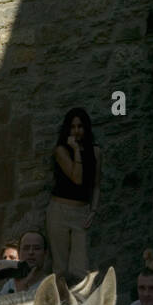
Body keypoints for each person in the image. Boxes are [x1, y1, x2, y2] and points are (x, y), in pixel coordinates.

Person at [47, 108, 101, 281]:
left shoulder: (96, 152)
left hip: (81, 212)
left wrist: (93, 210)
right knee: (60, 267)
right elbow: (76, 178)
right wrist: (76, 150)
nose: (77, 131)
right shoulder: (61, 150)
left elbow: (96, 184)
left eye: (80, 126)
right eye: (73, 127)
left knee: (80, 268)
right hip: (59, 211)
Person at [0, 229, 50, 294]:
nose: (31, 252)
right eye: (26, 248)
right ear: (19, 253)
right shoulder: (10, 285)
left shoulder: (51, 286)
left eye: (36, 248)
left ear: (45, 253)